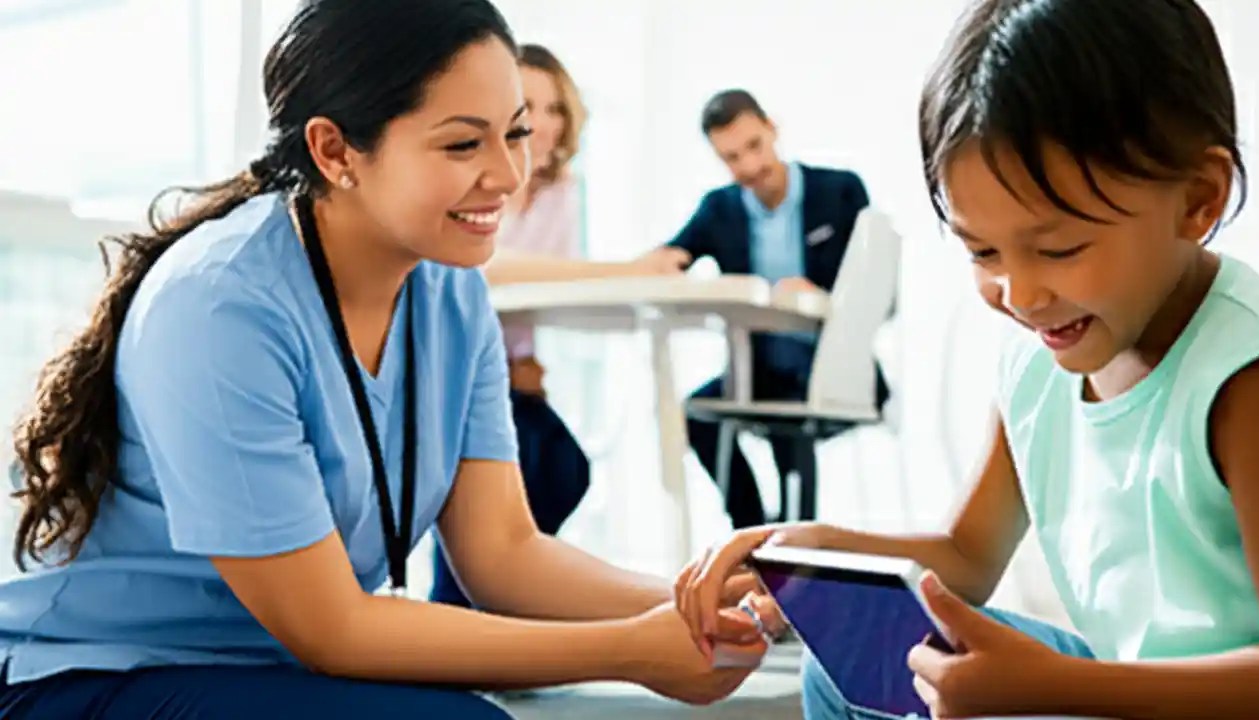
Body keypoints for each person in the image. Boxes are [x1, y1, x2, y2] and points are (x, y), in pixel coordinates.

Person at [0, 2, 766, 717]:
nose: (506, 175)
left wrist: (695, 596)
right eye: (464, 143)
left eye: (518, 133)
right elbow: (332, 629)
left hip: (267, 667)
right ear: (335, 150)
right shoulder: (222, 305)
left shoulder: (450, 288)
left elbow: (502, 552)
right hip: (100, 673)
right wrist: (627, 651)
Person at [676, 1, 1259, 719]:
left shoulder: (1250, 379)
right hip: (1114, 682)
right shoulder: (1040, 360)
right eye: (982, 252)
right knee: (851, 667)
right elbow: (968, 555)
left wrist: (1059, 685)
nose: (1019, 294)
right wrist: (816, 548)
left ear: (1199, 201)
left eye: (1060, 249)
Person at [429, 43, 687, 608]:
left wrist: (521, 358)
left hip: (506, 370)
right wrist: (624, 270)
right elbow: (489, 273)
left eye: (554, 110)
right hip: (447, 366)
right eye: (528, 108)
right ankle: (461, 605)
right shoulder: (469, 180)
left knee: (561, 467)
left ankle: (498, 600)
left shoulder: (561, 193)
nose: (542, 124)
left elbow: (544, 291)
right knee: (520, 467)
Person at [646, 89, 882, 529]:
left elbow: (877, 293)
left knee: (784, 401)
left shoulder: (841, 192)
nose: (749, 167)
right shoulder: (720, 209)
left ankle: (793, 538)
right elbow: (672, 254)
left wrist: (821, 292)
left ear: (772, 128)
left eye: (754, 146)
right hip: (756, 370)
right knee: (696, 414)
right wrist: (666, 261)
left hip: (834, 364)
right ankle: (752, 528)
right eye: (732, 158)